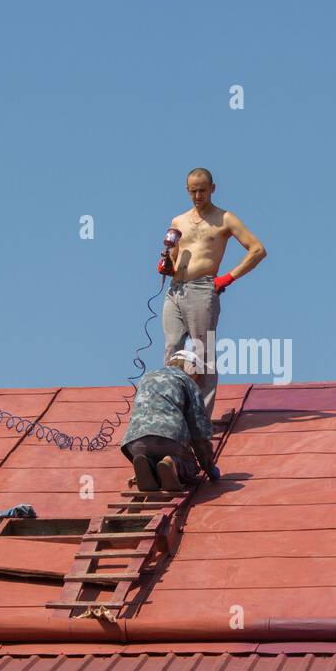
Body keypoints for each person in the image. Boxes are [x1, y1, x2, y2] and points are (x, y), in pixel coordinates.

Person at [159, 167, 267, 418]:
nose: (198, 195)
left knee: (201, 352)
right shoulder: (178, 221)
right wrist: (166, 264)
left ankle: (201, 420)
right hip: (175, 290)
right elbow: (173, 256)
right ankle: (171, 413)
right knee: (172, 348)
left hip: (202, 289)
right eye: (193, 191)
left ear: (213, 189)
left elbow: (257, 250)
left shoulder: (225, 218)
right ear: (187, 190)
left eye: (203, 190)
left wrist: (227, 278)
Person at [121, 350, 221, 492]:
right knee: (191, 466)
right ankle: (172, 463)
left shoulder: (147, 377)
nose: (197, 379)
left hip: (134, 442)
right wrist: (210, 469)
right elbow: (199, 431)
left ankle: (146, 463)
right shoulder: (187, 382)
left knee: (153, 459)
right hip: (169, 439)